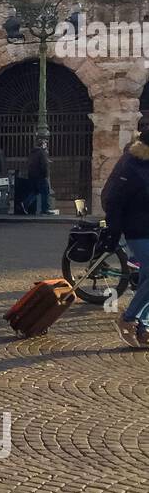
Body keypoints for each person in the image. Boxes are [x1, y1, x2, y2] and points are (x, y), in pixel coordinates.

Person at [102, 126, 149, 348]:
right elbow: (112, 200)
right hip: (138, 230)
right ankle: (128, 319)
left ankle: (143, 324)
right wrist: (113, 232)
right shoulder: (131, 165)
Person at [24, 141, 56, 215]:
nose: (46, 146)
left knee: (35, 191)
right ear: (42, 145)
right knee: (45, 192)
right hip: (40, 176)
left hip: (32, 175)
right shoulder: (41, 152)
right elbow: (43, 165)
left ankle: (25, 203)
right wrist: (45, 174)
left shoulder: (33, 152)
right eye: (45, 144)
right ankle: (45, 209)